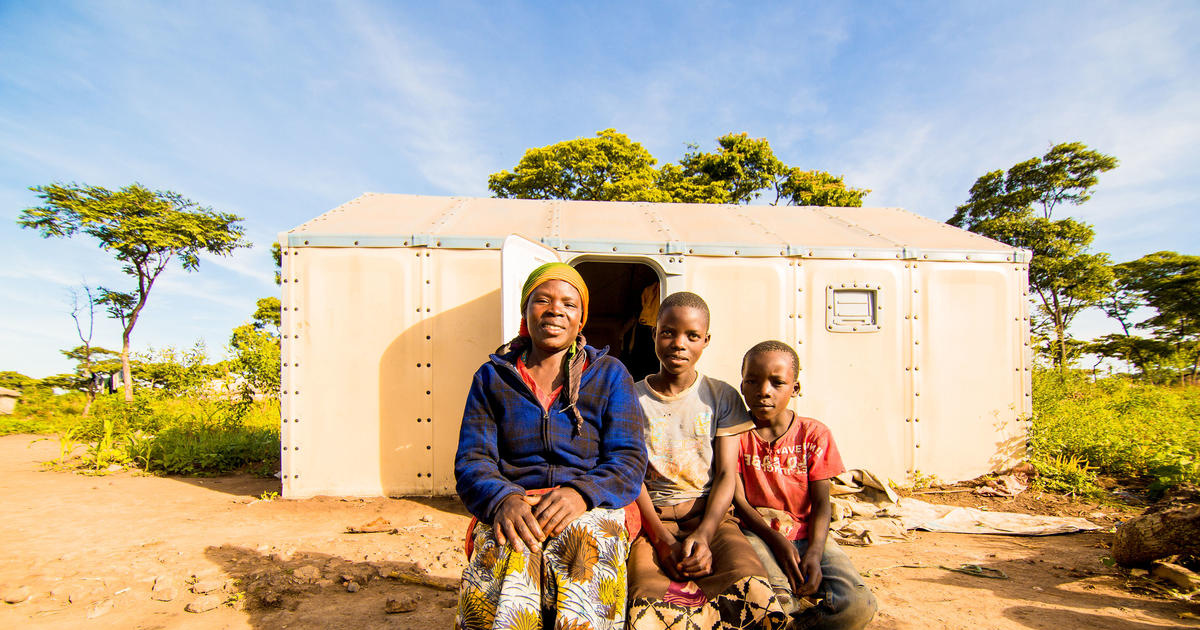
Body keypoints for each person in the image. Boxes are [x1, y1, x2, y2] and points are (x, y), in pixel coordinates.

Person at [454, 262, 648, 630]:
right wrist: (503, 500)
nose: (555, 309)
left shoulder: (609, 374)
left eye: (568, 304)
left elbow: (629, 460)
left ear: (580, 320)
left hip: (593, 502)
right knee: (510, 543)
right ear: (526, 313)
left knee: (583, 541)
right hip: (517, 499)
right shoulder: (493, 377)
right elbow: (472, 461)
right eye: (542, 300)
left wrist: (581, 494)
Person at [626, 291, 788, 630]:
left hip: (711, 517)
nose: (679, 343)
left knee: (753, 595)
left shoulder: (721, 395)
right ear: (654, 334)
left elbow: (728, 473)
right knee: (650, 608)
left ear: (706, 340)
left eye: (692, 336)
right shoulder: (630, 397)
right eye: (668, 332)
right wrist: (663, 540)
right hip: (651, 522)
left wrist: (705, 532)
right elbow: (631, 475)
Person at [733, 341, 877, 630]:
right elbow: (738, 500)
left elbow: (823, 503)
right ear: (743, 385)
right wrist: (776, 540)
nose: (764, 391)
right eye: (753, 381)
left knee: (858, 605)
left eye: (777, 383)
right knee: (778, 601)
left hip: (807, 534)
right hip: (756, 534)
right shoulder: (735, 433)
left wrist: (814, 551)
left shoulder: (814, 434)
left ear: (795, 388)